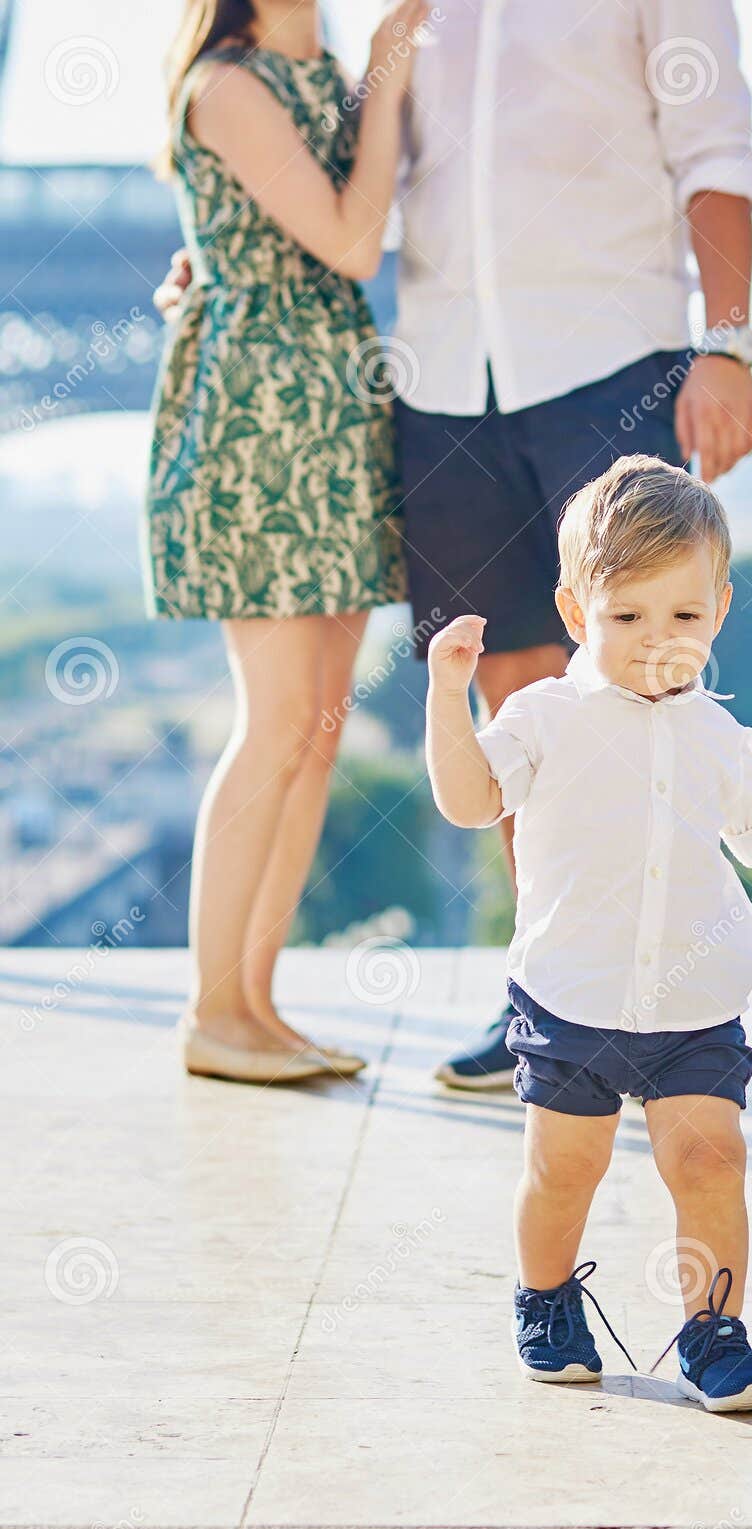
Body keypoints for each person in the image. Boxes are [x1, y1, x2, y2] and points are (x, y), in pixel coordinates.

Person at [159, 0, 752, 1091]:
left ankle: (666, 1005)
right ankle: (551, 997)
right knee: (520, 699)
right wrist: (212, 242)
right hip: (438, 379)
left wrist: (727, 342)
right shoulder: (392, 12)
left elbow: (714, 145)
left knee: (645, 685)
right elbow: (307, 156)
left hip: (609, 356)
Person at [424, 455, 752, 1410]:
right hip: (573, 995)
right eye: (626, 618)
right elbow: (471, 801)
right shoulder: (543, 717)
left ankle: (712, 1333)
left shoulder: (715, 734)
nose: (656, 643)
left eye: (682, 617)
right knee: (566, 1167)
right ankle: (545, 1300)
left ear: (718, 611)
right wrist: (447, 696)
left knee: (710, 1159)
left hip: (694, 1000)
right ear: (573, 616)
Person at [144, 0, 425, 1084]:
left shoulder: (319, 73)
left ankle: (255, 1005)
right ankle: (213, 1012)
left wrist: (378, 74)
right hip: (258, 424)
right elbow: (355, 242)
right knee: (272, 727)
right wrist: (394, 73)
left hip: (337, 418)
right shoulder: (229, 83)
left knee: (314, 732)